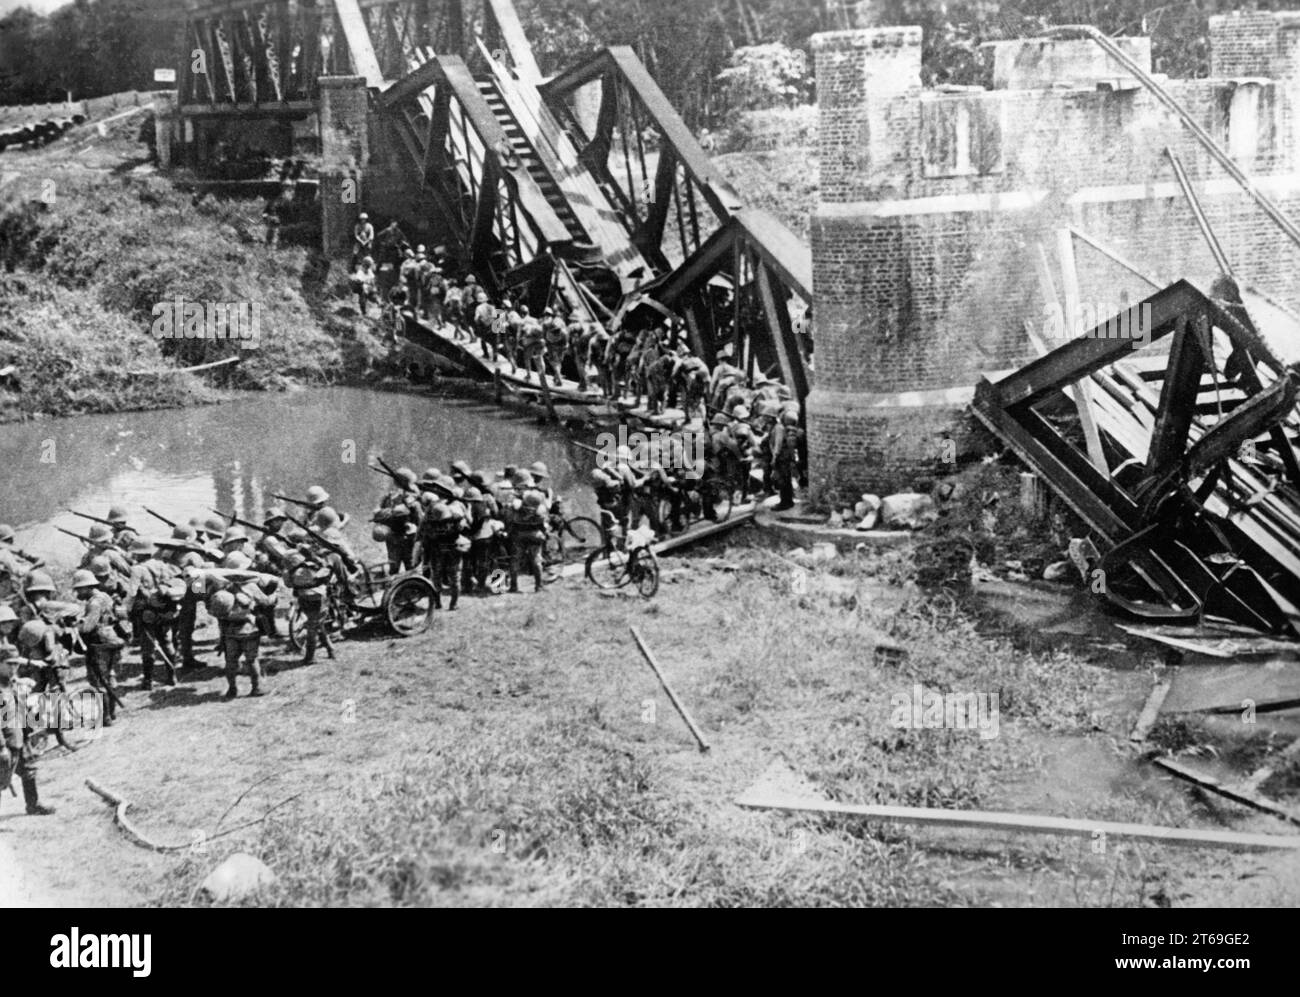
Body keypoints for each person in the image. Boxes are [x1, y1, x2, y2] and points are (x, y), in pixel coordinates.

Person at [210, 552, 275, 699]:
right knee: (252, 659)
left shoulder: (221, 586)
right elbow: (265, 602)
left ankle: (232, 689)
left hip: (228, 630)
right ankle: (256, 687)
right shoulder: (251, 586)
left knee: (230, 661)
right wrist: (273, 597)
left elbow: (211, 604)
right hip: (249, 628)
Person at [0, 647, 54, 815]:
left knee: (29, 770)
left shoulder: (10, 682)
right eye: (9, 664)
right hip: (5, 742)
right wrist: (1, 748)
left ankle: (33, 804)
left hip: (18, 736)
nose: (13, 668)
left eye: (16, 664)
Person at [127, 538, 181, 690]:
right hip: (165, 610)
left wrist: (128, 610)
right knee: (168, 643)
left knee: (148, 647)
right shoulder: (163, 565)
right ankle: (172, 677)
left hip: (147, 612)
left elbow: (132, 593)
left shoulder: (137, 569)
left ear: (137, 554)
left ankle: (148, 681)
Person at [74, 568, 123, 727]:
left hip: (98, 643)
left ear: (86, 587)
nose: (77, 593)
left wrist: (75, 625)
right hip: (111, 638)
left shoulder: (94, 602)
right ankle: (112, 712)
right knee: (110, 676)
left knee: (98, 680)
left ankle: (106, 717)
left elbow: (88, 627)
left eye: (78, 589)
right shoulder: (105, 596)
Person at [163, 525, 207, 670]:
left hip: (171, 594)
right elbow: (199, 582)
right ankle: (186, 658)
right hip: (188, 597)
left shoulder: (167, 553)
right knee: (186, 629)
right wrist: (201, 599)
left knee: (173, 628)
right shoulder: (193, 556)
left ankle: (175, 659)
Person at [285, 551, 338, 666]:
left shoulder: (289, 573)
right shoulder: (309, 568)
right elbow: (324, 575)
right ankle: (319, 654)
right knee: (315, 627)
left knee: (314, 627)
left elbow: (288, 584)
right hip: (317, 599)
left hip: (304, 599)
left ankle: (315, 655)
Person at [373, 467, 419, 572]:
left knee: (394, 567)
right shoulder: (412, 499)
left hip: (393, 538)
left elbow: (377, 514)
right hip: (408, 538)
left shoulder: (388, 497)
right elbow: (419, 519)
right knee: (411, 568)